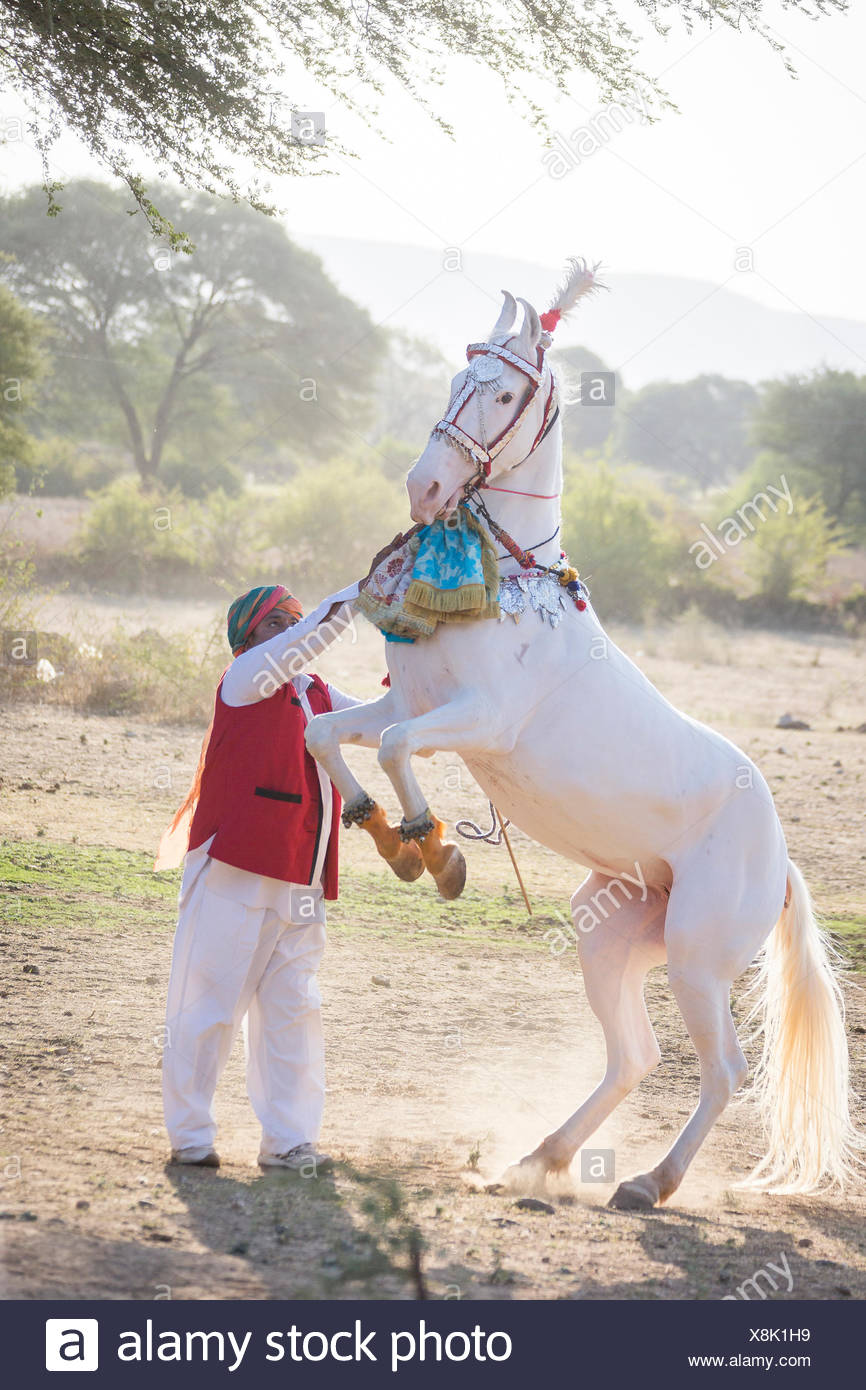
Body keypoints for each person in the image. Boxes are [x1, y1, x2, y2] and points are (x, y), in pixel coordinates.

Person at [156, 580, 361, 1172]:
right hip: (234, 872)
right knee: (208, 1007)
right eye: (279, 624)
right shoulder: (244, 678)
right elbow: (309, 640)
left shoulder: (316, 690)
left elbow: (379, 725)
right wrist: (365, 591)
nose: (292, 632)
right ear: (250, 636)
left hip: (302, 883)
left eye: (297, 621)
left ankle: (289, 1141)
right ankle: (191, 1138)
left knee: (294, 1011)